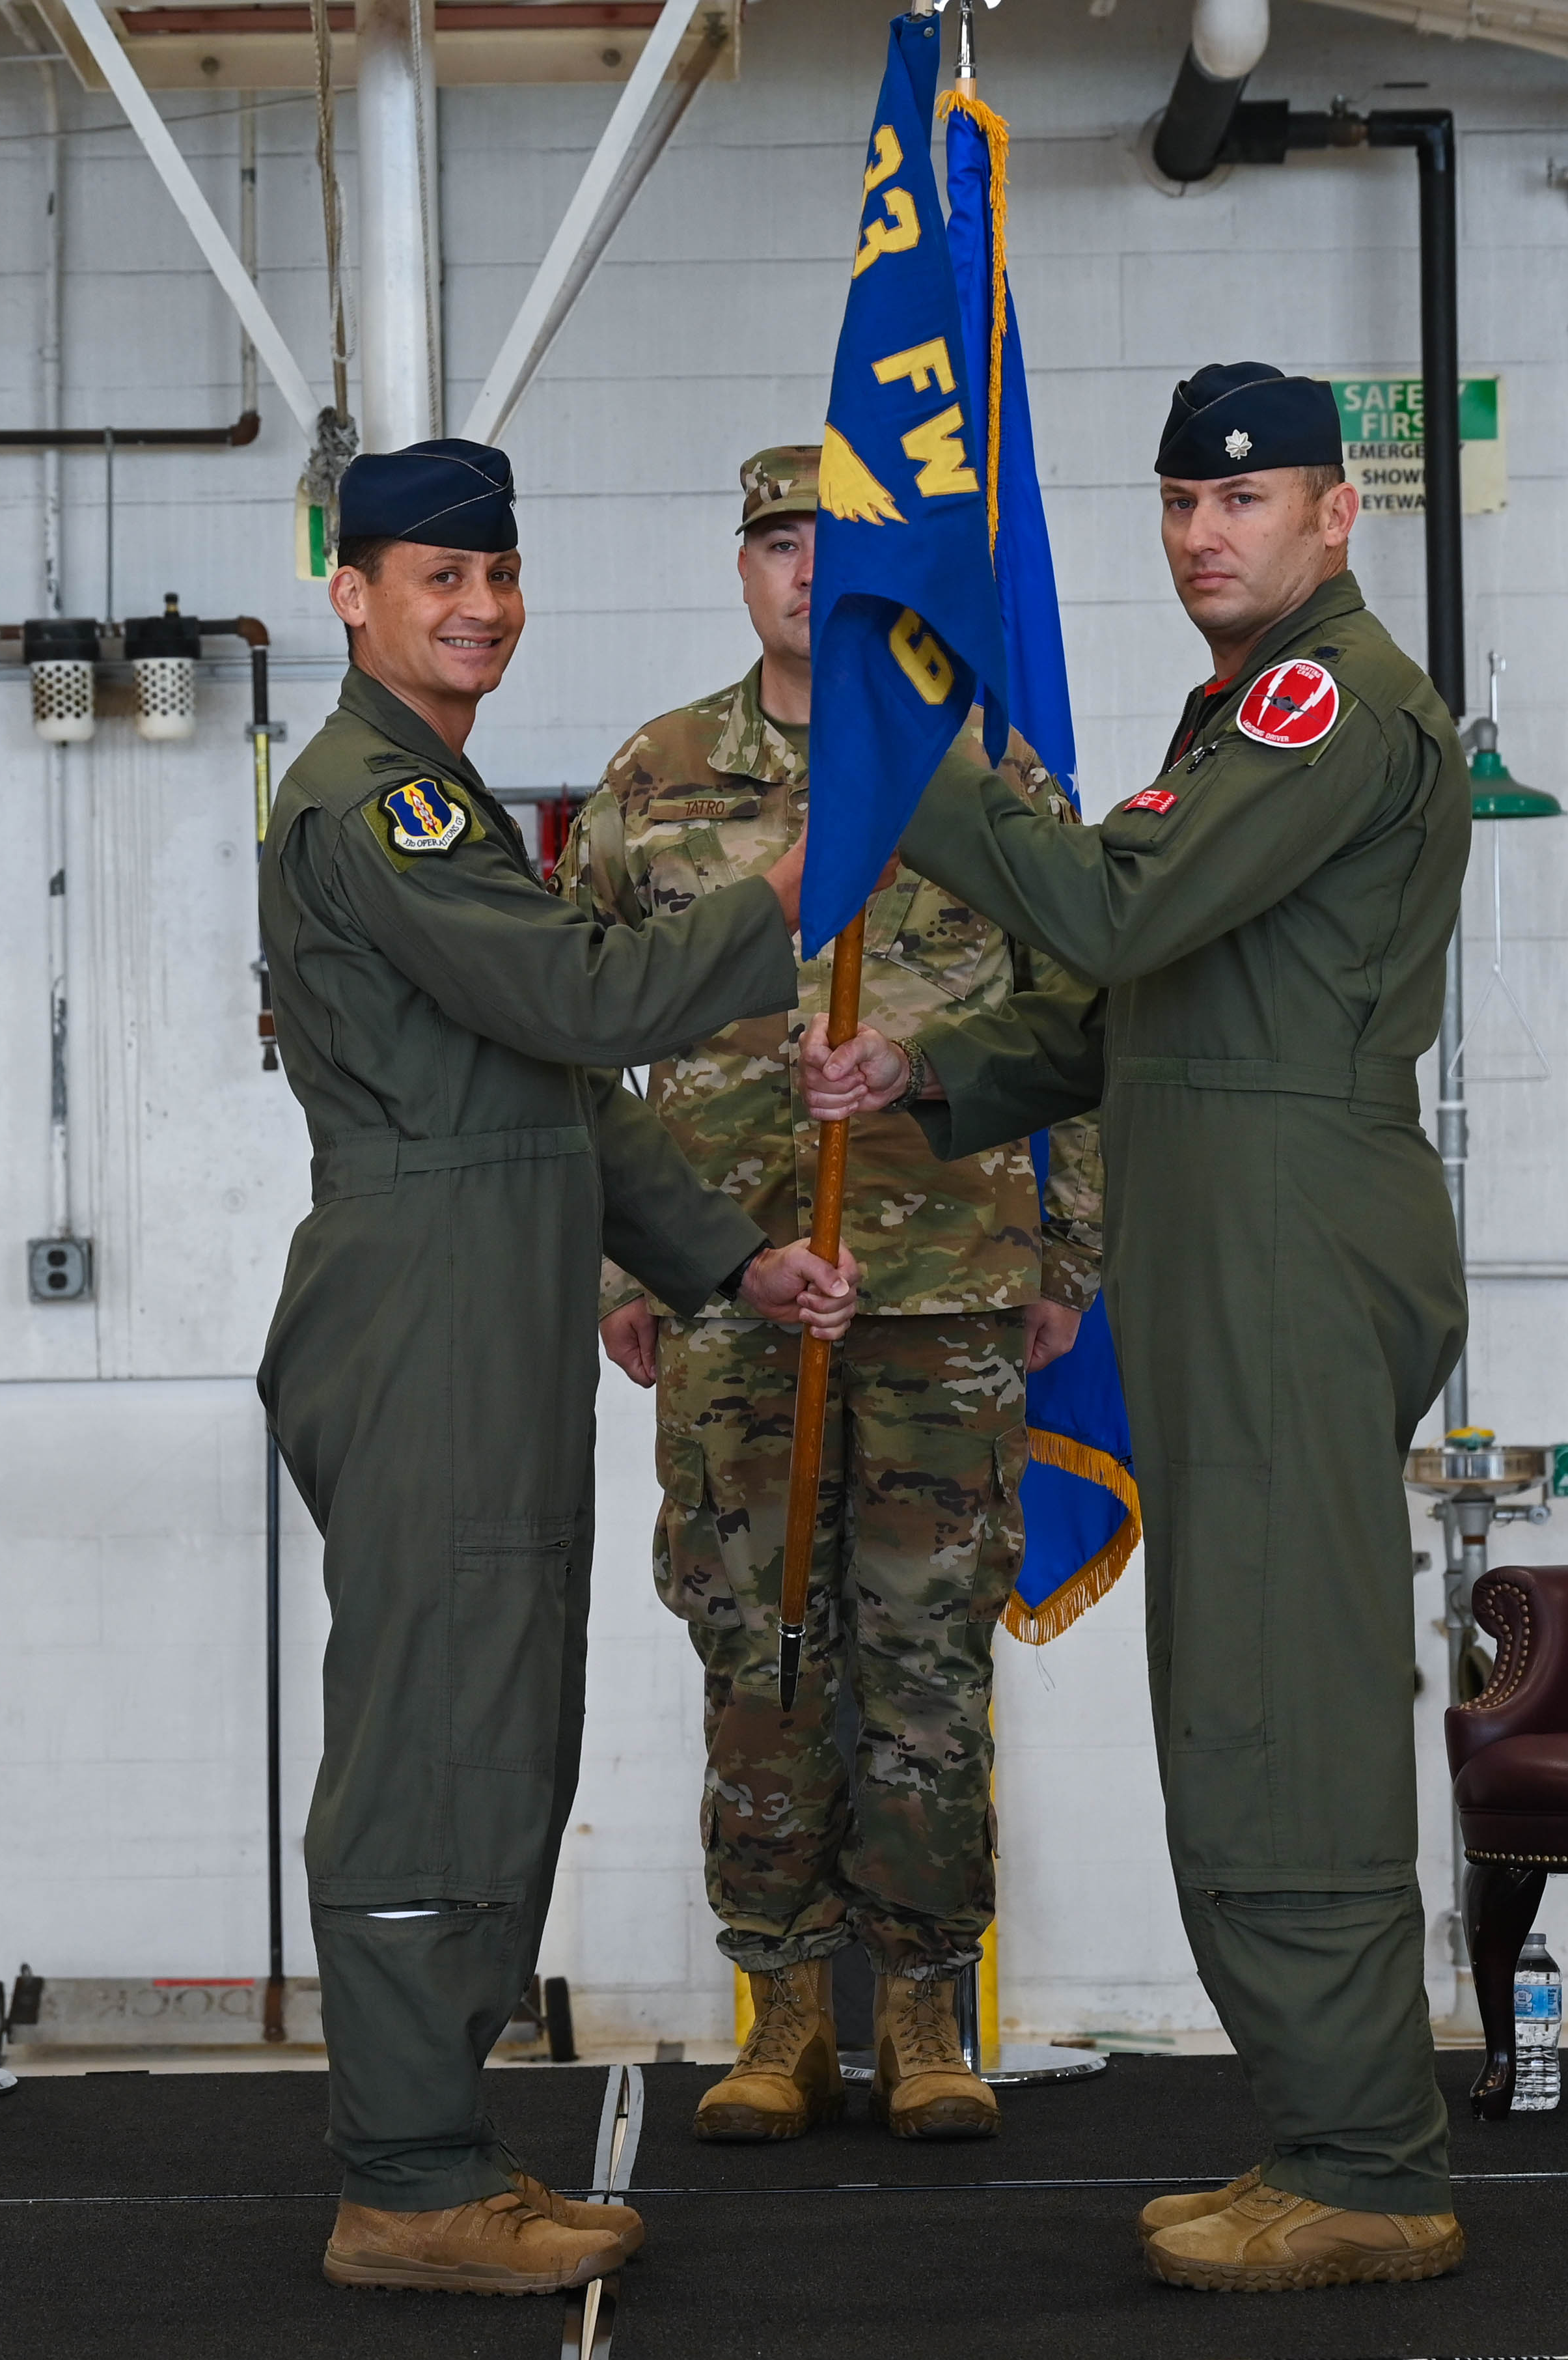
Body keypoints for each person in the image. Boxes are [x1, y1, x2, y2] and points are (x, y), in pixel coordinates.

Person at [802, 365, 1473, 2293]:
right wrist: (926, 1074)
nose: (1203, 532)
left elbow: (1116, 908)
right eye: (1180, 500)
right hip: (1227, 1225)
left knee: (1286, 1695)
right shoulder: (1238, 706)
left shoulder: (1325, 699)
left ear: (1338, 513)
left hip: (1286, 1235)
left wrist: (897, 773)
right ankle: (1322, 2132)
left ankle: (1365, 2162)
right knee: (1239, 1688)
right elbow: (1132, 1011)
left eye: (1243, 502)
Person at [260, 437, 860, 2298]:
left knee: (498, 1717)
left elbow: (557, 1095)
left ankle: (440, 2145)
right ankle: (408, 2183)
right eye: (438, 576)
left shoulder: (440, 791)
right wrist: (789, 891)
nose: (481, 606)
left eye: (499, 575)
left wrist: (730, 1258)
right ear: (349, 592)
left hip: (486, 1284)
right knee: (438, 1732)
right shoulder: (378, 803)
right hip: (428, 1299)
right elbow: (587, 1007)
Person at [556, 444, 1103, 2146]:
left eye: (836, 547)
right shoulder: (654, 777)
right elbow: (574, 1034)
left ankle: (929, 2009)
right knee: (758, 1641)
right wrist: (614, 1262)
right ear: (741, 571)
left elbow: (1081, 1016)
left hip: (942, 1286)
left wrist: (1065, 1252)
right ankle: (782, 2005)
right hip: (725, 1282)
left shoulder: (983, 762)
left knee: (928, 1652)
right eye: (779, 544)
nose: (807, 573)